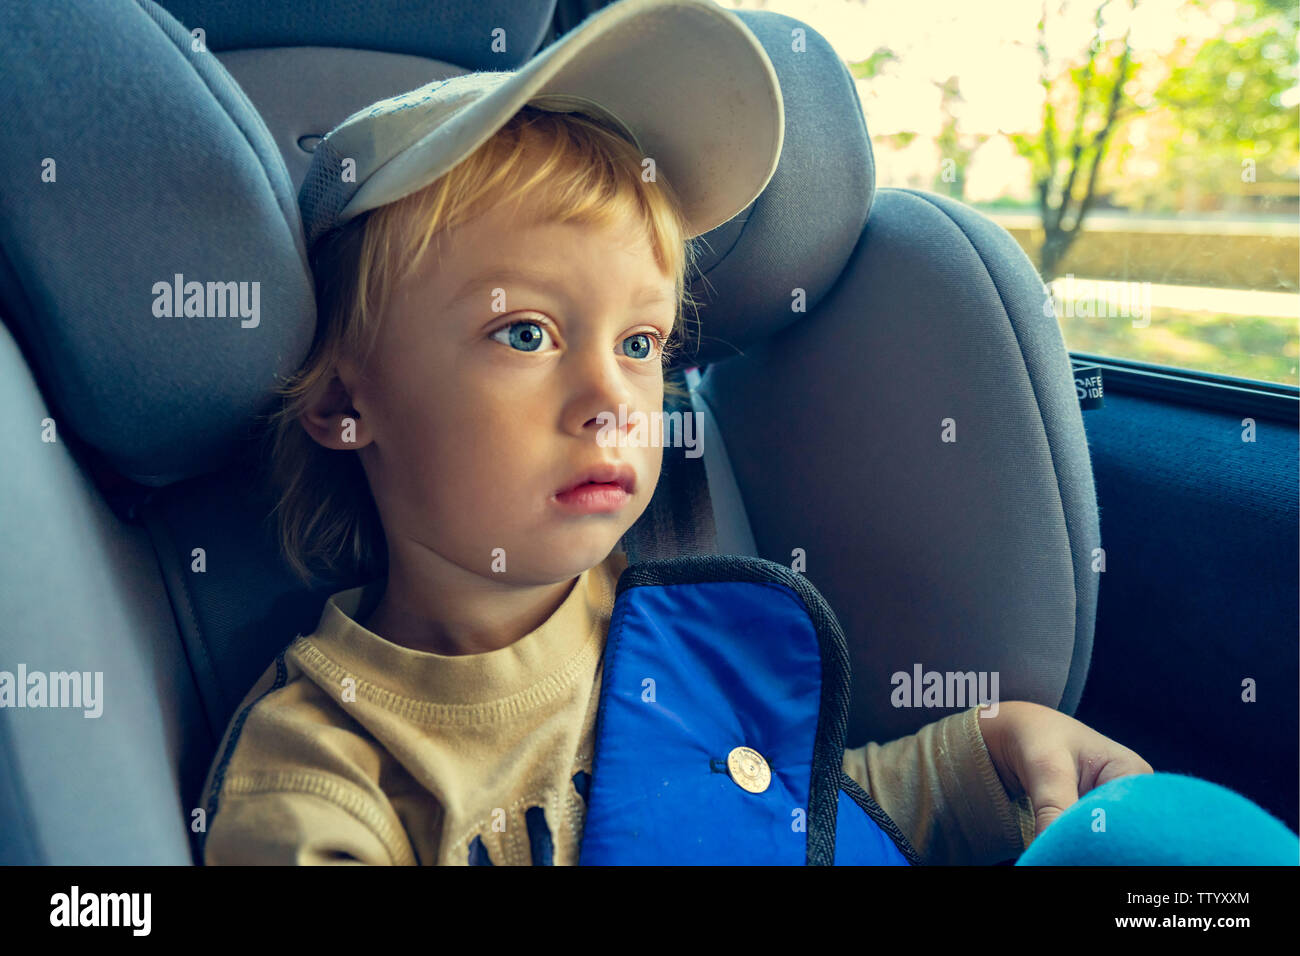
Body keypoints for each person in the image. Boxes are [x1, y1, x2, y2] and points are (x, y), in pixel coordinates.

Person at [197, 0, 1296, 866]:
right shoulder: (325, 772)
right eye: (524, 331)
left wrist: (991, 748)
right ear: (348, 404)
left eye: (640, 342)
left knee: (1173, 843)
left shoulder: (678, 620)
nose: (610, 394)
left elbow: (797, 803)